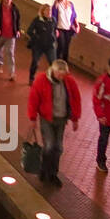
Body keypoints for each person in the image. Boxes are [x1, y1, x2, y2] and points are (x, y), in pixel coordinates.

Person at [28, 60, 81, 188]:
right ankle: (44, 169)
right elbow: (34, 98)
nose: (61, 78)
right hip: (47, 118)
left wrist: (75, 118)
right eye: (59, 75)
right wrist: (32, 117)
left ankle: (52, 173)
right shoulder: (41, 80)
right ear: (53, 71)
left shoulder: (69, 81)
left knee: (58, 147)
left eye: (64, 76)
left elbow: (76, 98)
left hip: (61, 119)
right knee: (50, 145)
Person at [0, 0, 21, 82]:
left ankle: (11, 73)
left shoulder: (15, 9)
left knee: (10, 53)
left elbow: (18, 21)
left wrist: (18, 30)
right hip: (0, 35)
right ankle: (0, 64)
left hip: (11, 35)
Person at [25, 4, 57, 86]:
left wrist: (55, 34)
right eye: (47, 10)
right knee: (35, 62)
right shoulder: (37, 20)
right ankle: (31, 77)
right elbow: (29, 31)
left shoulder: (53, 20)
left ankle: (52, 78)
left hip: (49, 45)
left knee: (52, 62)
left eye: (50, 10)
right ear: (43, 11)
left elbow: (55, 29)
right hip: (38, 45)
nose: (49, 12)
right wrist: (36, 38)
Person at [51, 0, 80, 64]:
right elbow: (53, 18)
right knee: (61, 45)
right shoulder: (56, 5)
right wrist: (55, 29)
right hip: (60, 28)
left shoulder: (70, 4)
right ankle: (56, 62)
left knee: (66, 47)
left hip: (68, 29)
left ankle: (65, 63)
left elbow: (74, 16)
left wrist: (77, 25)